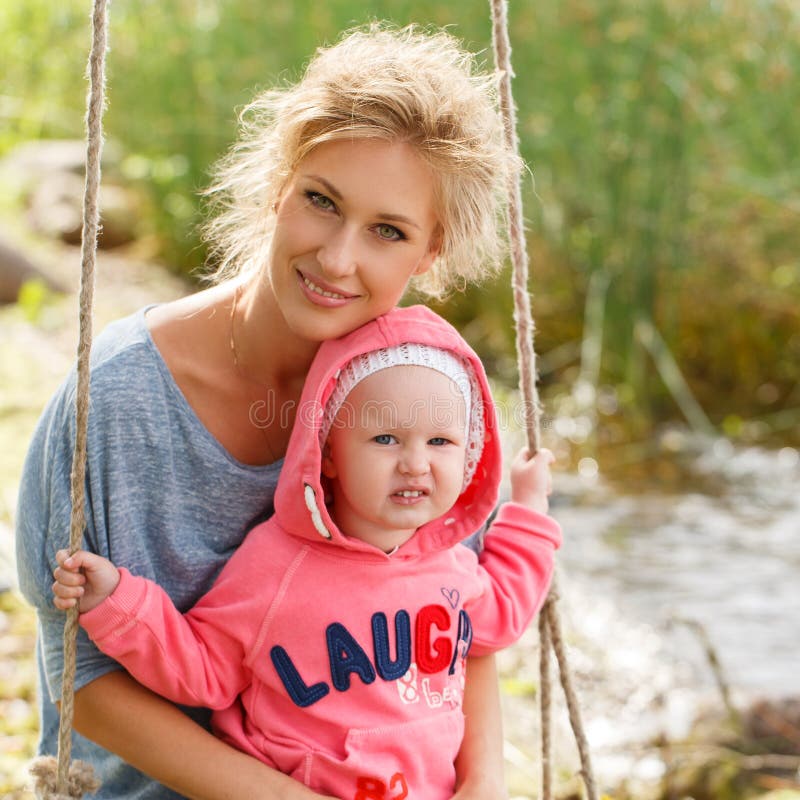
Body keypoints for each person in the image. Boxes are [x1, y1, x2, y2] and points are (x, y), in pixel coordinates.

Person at [17, 22, 523, 800]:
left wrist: (484, 785)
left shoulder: (429, 395)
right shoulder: (117, 404)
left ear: (430, 253)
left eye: (387, 231)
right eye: (322, 202)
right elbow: (81, 677)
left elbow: (460, 609)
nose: (336, 258)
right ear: (279, 185)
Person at [52, 305, 561, 800]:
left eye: (440, 441)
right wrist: (117, 600)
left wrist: (531, 506)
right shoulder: (277, 565)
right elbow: (203, 668)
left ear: (470, 451)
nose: (415, 464)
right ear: (330, 452)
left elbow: (504, 612)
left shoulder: (452, 566)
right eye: (385, 438)